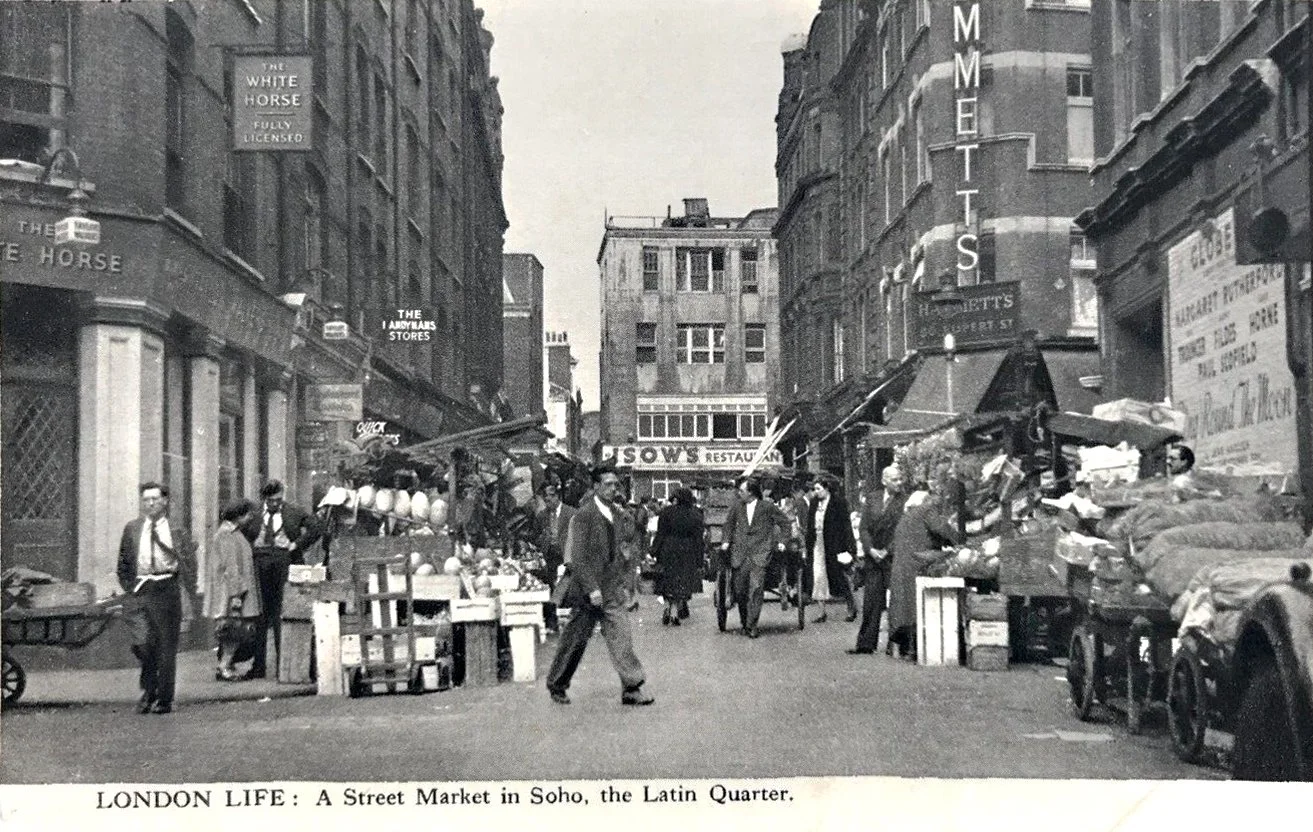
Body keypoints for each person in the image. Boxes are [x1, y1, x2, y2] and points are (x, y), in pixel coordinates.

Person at [545, 465, 653, 706]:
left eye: (615, 484)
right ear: (595, 487)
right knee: (575, 640)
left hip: (612, 589)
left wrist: (629, 586)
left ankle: (632, 689)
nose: (612, 489)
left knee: (622, 638)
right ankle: (557, 684)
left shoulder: (618, 514)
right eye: (607, 484)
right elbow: (577, 557)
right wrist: (591, 588)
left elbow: (625, 553)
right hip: (588, 591)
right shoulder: (584, 516)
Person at [117, 482, 199, 715]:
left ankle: (162, 698)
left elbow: (190, 564)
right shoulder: (132, 528)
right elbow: (123, 561)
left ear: (165, 502)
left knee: (165, 646)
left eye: (155, 499)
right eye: (146, 500)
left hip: (166, 588)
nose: (150, 503)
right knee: (142, 643)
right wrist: (130, 587)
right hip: (141, 589)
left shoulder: (176, 530)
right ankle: (148, 689)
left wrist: (186, 590)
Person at [241, 480, 322, 679]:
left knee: (281, 612)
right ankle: (258, 666)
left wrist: (297, 544)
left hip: (284, 561)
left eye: (278, 500)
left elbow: (317, 528)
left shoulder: (293, 511)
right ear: (264, 499)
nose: (275, 504)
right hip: (259, 562)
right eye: (271, 501)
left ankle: (282, 667)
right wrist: (250, 548)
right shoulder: (255, 514)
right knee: (260, 614)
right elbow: (240, 530)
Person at [887, 470, 966, 660]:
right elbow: (942, 529)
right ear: (927, 499)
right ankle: (915, 649)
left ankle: (902, 648)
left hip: (903, 565)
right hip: (916, 563)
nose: (937, 501)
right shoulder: (926, 510)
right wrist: (960, 541)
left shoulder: (908, 516)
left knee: (903, 608)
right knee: (915, 607)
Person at [720, 479, 790, 638]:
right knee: (740, 591)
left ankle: (752, 625)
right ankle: (745, 622)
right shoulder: (737, 507)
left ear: (750, 492)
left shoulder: (767, 507)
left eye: (742, 491)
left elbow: (785, 523)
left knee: (756, 589)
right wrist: (725, 542)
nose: (739, 493)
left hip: (760, 553)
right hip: (740, 554)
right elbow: (728, 525)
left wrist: (783, 542)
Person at [850, 464, 908, 655]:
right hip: (873, 558)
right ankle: (866, 643)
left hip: (893, 556)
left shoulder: (905, 501)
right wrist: (870, 549)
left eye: (900, 479)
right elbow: (864, 527)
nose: (898, 483)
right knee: (871, 601)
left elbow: (902, 530)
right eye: (894, 479)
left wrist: (887, 550)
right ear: (884, 481)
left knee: (898, 601)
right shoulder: (872, 498)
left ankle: (898, 644)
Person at [205, 499, 262, 681]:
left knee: (233, 631)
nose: (250, 518)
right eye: (248, 514)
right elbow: (231, 567)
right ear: (239, 515)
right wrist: (236, 595)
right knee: (233, 631)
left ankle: (226, 665)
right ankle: (224, 667)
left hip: (233, 590)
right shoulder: (227, 534)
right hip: (232, 592)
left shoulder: (232, 532)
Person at [804, 475, 859, 623]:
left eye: (818, 489)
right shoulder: (814, 503)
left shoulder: (838, 503)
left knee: (841, 576)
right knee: (818, 576)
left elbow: (846, 525)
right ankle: (821, 612)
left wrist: (850, 547)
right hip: (818, 543)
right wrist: (808, 544)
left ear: (827, 488)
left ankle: (851, 607)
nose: (816, 492)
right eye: (814, 489)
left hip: (835, 544)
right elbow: (810, 525)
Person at [650, 486, 705, 627]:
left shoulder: (666, 512)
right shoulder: (696, 514)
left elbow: (660, 534)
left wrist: (654, 551)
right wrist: (699, 559)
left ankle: (668, 607)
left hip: (668, 549)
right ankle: (676, 612)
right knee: (682, 581)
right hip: (687, 550)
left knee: (668, 580)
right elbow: (699, 539)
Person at [535, 482, 576, 631]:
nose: (548, 503)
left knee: (567, 587)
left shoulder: (571, 513)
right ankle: (552, 622)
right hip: (550, 556)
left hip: (567, 555)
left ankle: (571, 621)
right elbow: (536, 536)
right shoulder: (541, 516)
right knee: (551, 587)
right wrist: (543, 539)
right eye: (545, 501)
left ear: (557, 496)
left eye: (550, 499)